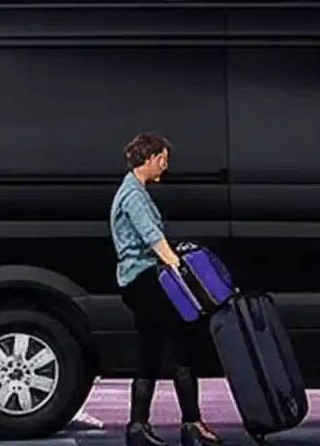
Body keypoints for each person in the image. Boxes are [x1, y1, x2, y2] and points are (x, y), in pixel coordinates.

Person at [111, 133, 222, 446]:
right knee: (184, 344)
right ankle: (192, 424)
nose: (165, 165)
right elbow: (152, 238)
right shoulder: (133, 195)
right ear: (148, 159)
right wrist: (178, 266)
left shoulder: (133, 190)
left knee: (150, 351)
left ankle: (138, 429)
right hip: (147, 280)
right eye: (162, 159)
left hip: (137, 282)